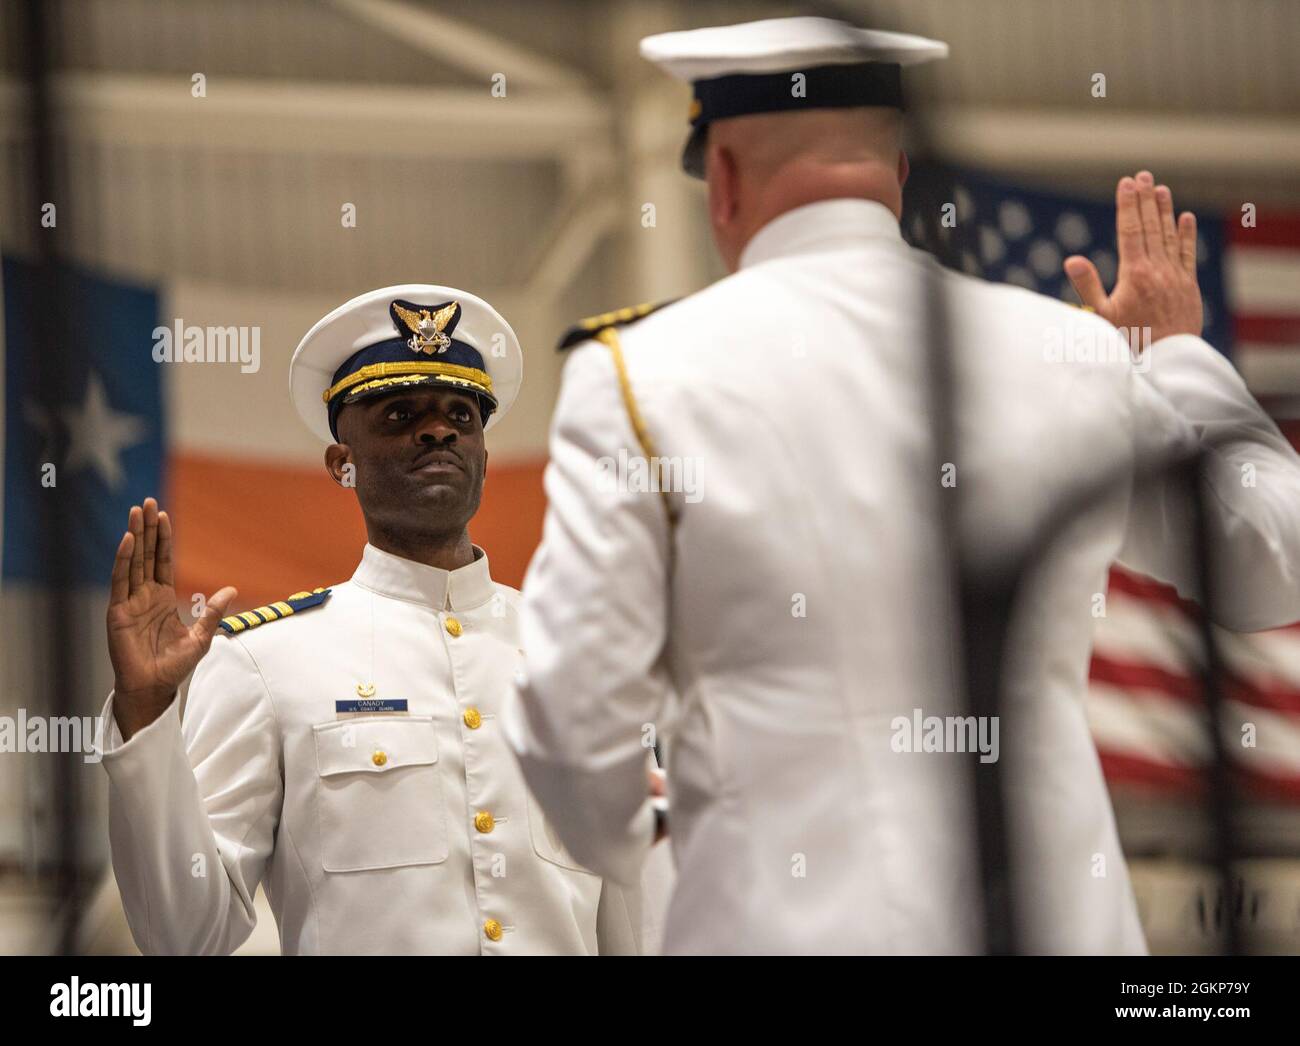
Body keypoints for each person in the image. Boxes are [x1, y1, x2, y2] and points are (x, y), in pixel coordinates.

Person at [502, 17, 1300, 954]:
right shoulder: (1071, 352)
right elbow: (1269, 566)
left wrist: (635, 832)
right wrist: (1175, 357)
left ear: (721, 178)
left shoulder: (638, 374)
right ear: (901, 171)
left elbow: (572, 717)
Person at [101, 284, 663, 954]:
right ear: (343, 464)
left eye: (461, 415)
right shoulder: (265, 662)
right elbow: (185, 934)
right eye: (400, 414)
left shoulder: (582, 654)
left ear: (483, 458)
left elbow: (640, 918)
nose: (438, 430)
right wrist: (146, 711)